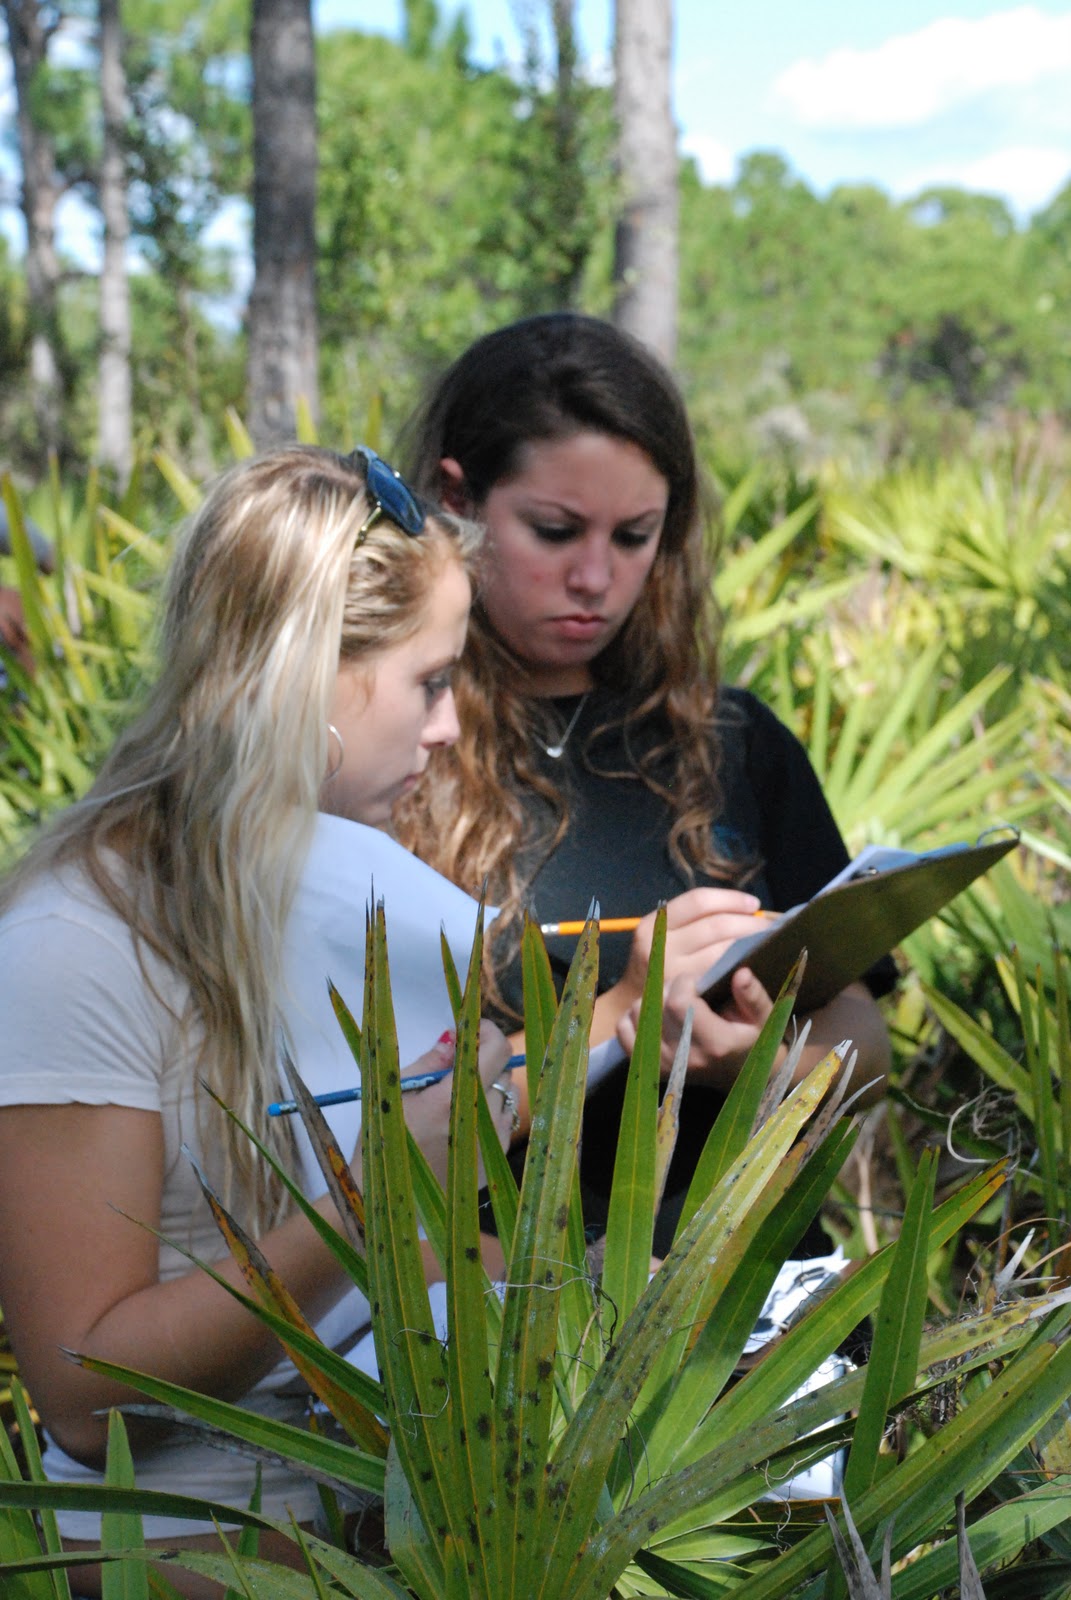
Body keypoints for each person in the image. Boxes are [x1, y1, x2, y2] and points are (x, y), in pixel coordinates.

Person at [0, 445, 516, 1598]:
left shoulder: (322, 888)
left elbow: (375, 1274)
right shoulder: (76, 941)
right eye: (430, 680)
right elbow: (84, 1396)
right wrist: (381, 1183)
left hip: (381, 1517)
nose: (448, 727)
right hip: (193, 1552)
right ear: (312, 680)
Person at [395, 312, 894, 1255]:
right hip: (502, 1303)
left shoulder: (733, 741)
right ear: (454, 499)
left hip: (757, 1293)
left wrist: (764, 1066)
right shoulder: (392, 748)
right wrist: (616, 1018)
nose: (594, 577)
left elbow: (864, 1040)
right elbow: (358, 1128)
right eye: (553, 531)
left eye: (634, 536)